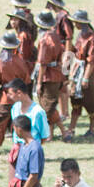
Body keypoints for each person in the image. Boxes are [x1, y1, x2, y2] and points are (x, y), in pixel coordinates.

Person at [0, 32, 31, 165]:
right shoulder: (21, 61)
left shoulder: (0, 63)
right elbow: (27, 81)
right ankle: (22, 154)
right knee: (20, 127)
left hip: (4, 99)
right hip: (19, 99)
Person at [67, 11, 94, 138]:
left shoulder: (92, 38)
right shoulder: (80, 35)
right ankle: (72, 128)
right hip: (77, 70)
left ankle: (92, 128)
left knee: (89, 99)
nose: (74, 24)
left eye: (76, 22)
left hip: (88, 72)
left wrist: (85, 78)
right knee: (75, 98)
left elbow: (92, 60)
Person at [34, 11, 64, 140]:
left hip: (48, 76)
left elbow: (42, 63)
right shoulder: (55, 36)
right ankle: (55, 133)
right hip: (57, 74)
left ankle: (54, 133)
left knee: (46, 107)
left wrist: (39, 83)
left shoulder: (45, 40)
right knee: (50, 106)